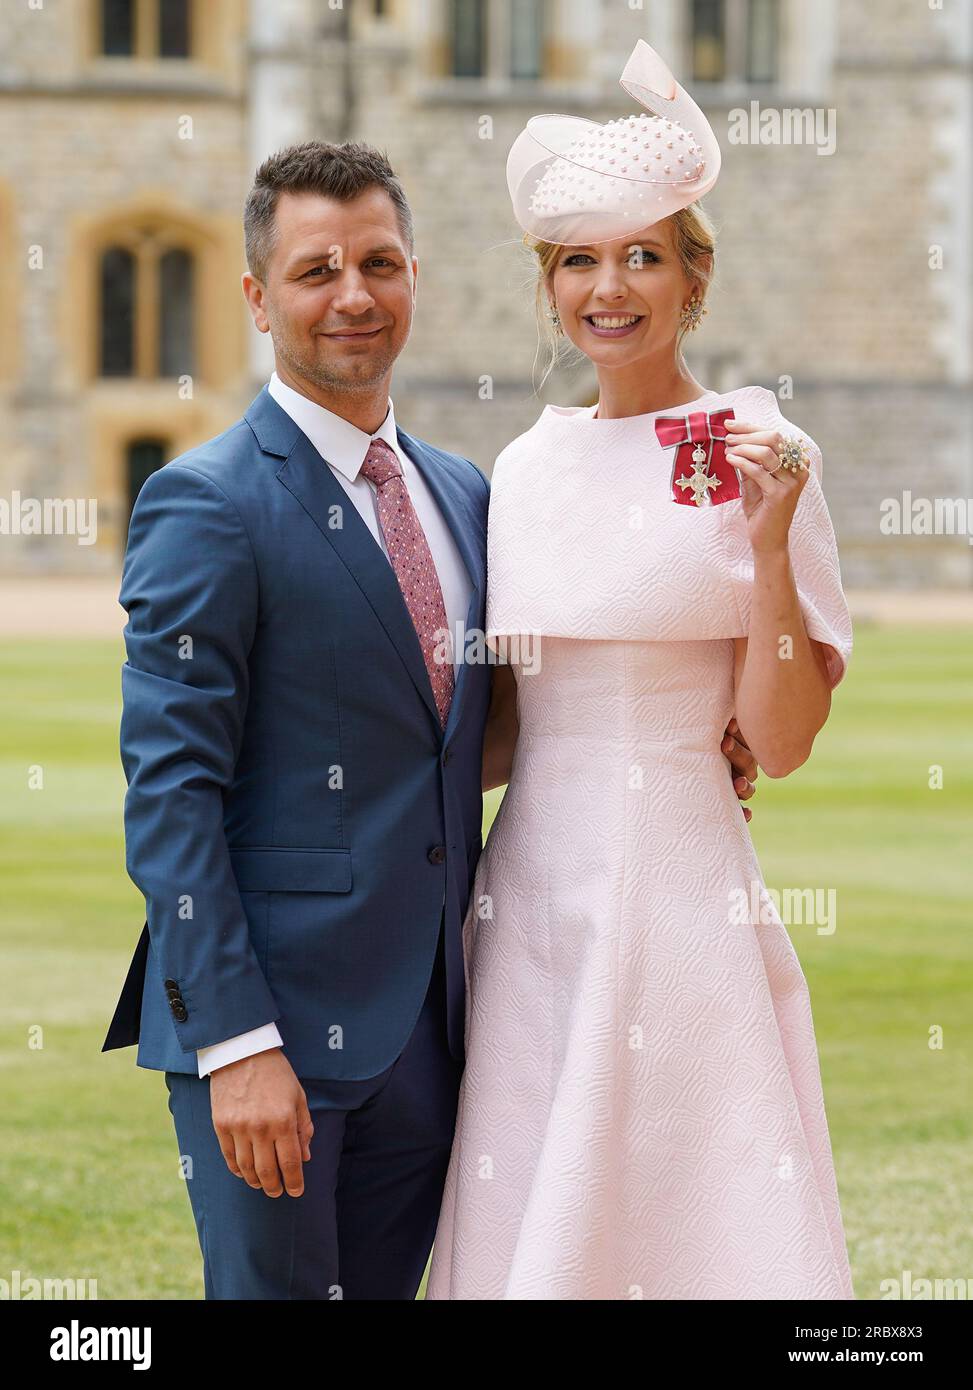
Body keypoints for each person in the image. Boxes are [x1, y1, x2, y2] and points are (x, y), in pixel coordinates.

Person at [101, 138, 759, 1300]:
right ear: (257, 298)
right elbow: (170, 795)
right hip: (276, 1041)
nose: (352, 295)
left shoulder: (463, 492)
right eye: (314, 272)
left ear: (414, 280)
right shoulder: (204, 501)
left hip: (440, 1038)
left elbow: (475, 731)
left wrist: (684, 726)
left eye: (379, 263)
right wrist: (237, 1044)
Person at [426, 42, 856, 1300]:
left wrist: (770, 550)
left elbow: (774, 742)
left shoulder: (765, 444)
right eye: (579, 260)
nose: (608, 287)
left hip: (681, 889)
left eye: (642, 255)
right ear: (550, 284)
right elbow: (499, 723)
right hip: (531, 896)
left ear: (692, 278)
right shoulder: (523, 467)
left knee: (698, 1206)